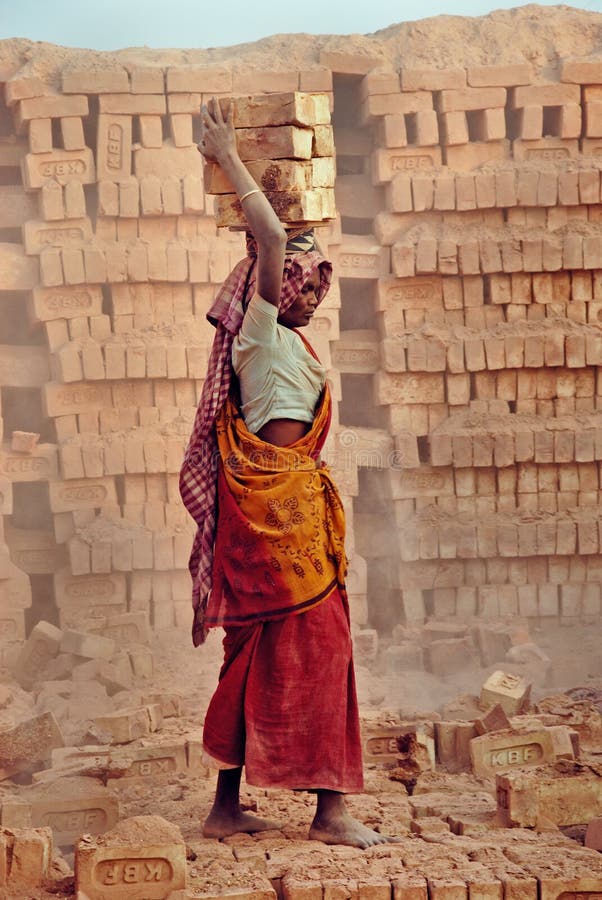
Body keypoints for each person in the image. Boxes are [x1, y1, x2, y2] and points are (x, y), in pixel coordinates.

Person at [180, 98, 396, 849]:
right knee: (320, 651)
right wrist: (226, 154)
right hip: (278, 530)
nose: (318, 287)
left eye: (318, 275)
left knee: (257, 657)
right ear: (277, 281)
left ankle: (225, 805)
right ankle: (331, 810)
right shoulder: (260, 334)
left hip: (282, 522)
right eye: (307, 274)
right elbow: (268, 232)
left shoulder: (289, 346)